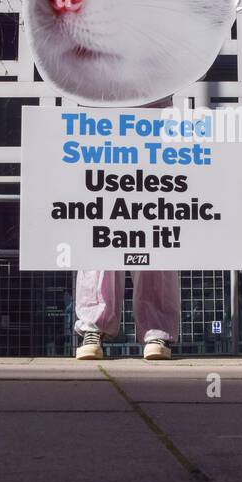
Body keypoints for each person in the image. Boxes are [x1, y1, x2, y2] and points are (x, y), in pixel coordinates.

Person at [75, 99, 181, 362]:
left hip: (149, 111)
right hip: (100, 109)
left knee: (153, 225)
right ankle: (95, 325)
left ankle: (155, 329)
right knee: (100, 223)